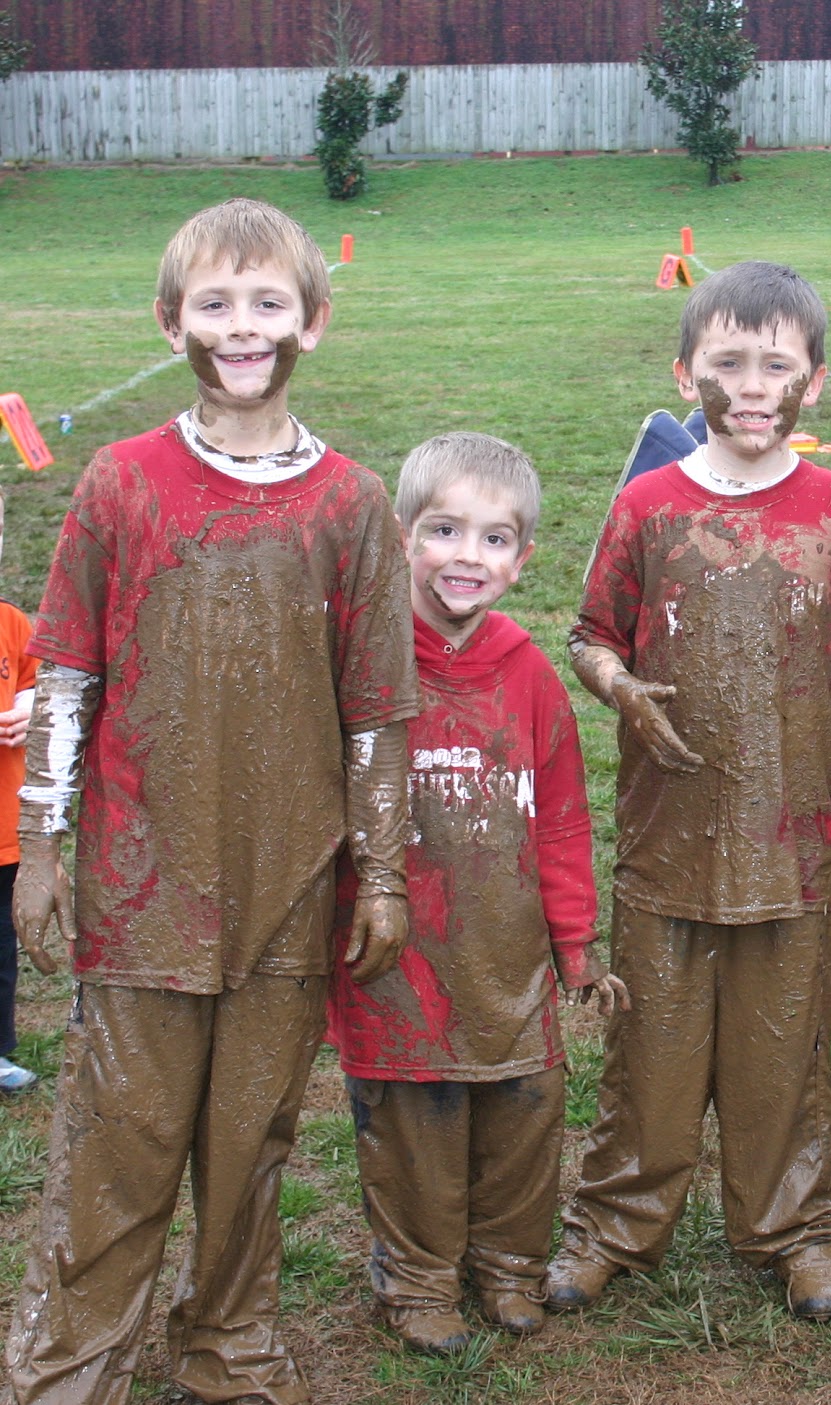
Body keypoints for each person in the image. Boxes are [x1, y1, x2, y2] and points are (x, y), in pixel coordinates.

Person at [6, 197, 418, 1405]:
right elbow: (67, 675)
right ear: (171, 321)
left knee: (249, 1141)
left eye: (269, 303)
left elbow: (380, 710)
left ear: (315, 323)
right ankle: (68, 1360)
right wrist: (42, 844)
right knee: (119, 1145)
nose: (244, 329)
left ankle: (226, 1341)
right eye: (216, 303)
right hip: (141, 880)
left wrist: (380, 869)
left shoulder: (351, 504)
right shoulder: (119, 482)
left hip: (291, 882)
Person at [552, 260, 831, 1322]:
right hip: (667, 834)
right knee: (648, 1045)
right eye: (727, 362)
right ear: (684, 370)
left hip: (791, 838)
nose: (751, 384)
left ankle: (792, 1227)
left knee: (784, 1045)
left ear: (816, 382)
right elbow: (586, 633)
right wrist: (616, 683)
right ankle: (615, 1222)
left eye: (776, 365)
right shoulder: (648, 505)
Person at [326, 431, 629, 1356]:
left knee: (523, 1116)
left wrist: (574, 945)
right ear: (401, 536)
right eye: (445, 529)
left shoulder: (530, 673)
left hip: (509, 957)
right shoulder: (361, 663)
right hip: (395, 959)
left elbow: (565, 824)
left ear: (522, 558)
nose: (468, 555)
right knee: (413, 1121)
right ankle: (417, 1278)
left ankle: (506, 1264)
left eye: (495, 539)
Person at [0, 490, 39, 1095]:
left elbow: (41, 677)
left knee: (0, 951)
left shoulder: (10, 621)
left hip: (4, 833)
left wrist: (32, 706)